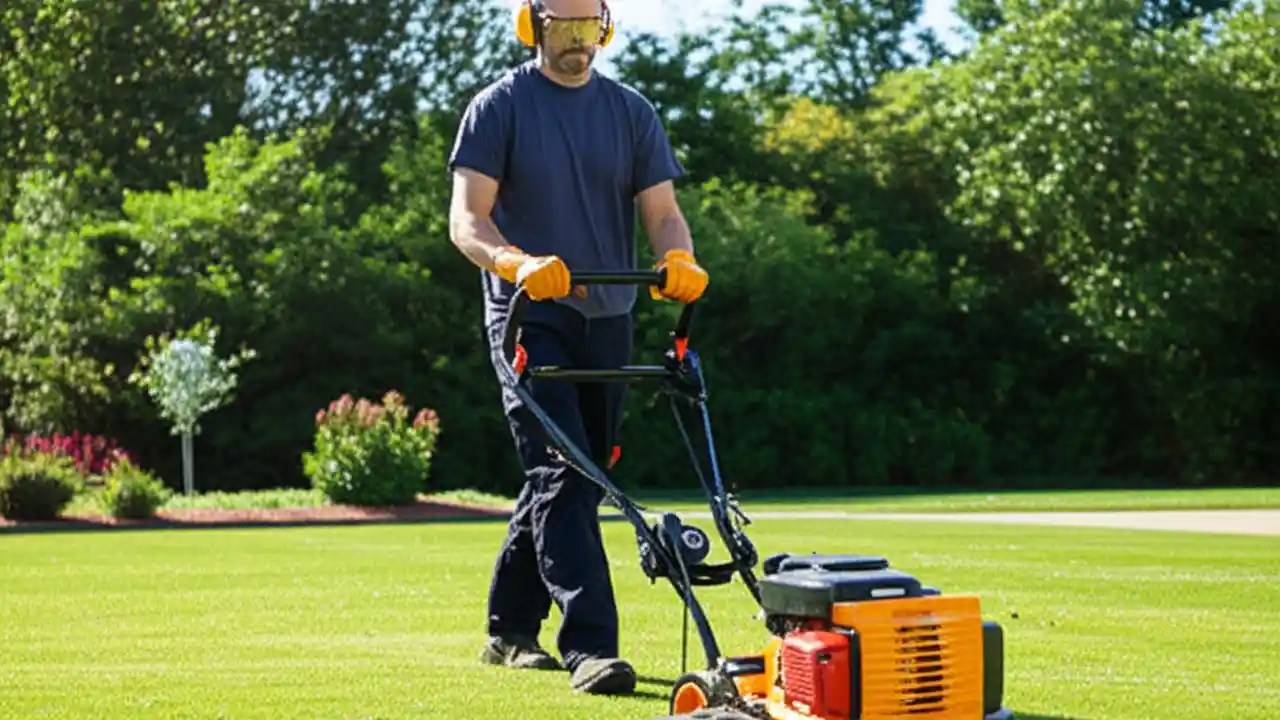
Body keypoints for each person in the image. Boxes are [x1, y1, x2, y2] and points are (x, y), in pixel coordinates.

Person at [445, 0, 709, 698]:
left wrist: (677, 259)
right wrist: (515, 263)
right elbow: (467, 220)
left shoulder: (631, 113)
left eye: (589, 26)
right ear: (532, 26)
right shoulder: (498, 106)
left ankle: (508, 630)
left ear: (606, 27)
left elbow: (663, 214)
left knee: (576, 476)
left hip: (611, 312)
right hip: (529, 314)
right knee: (564, 468)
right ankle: (591, 647)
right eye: (562, 25)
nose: (578, 41)